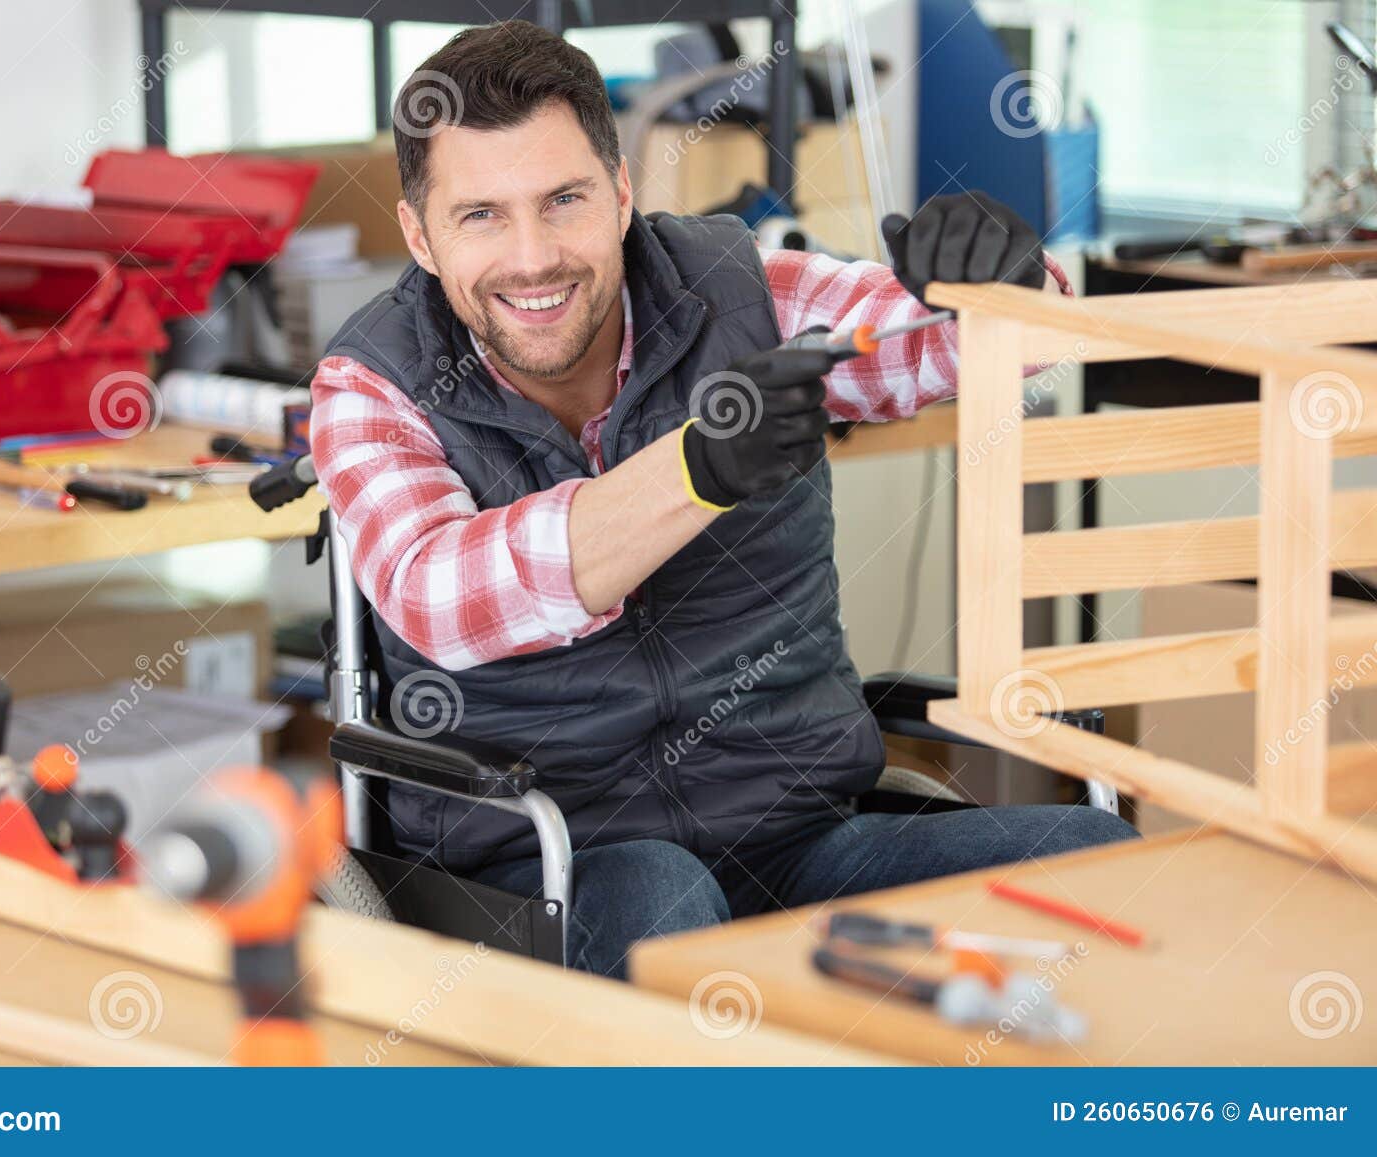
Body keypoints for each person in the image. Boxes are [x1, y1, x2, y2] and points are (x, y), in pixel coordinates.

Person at [311, 20, 1136, 978]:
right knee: (664, 899)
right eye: (481, 216)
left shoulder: (742, 291)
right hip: (543, 866)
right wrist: (694, 471)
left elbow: (954, 347)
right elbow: (437, 596)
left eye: (565, 199)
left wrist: (1005, 287)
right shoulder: (371, 385)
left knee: (1094, 863)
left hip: (800, 840)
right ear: (419, 233)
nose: (533, 258)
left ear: (621, 192)